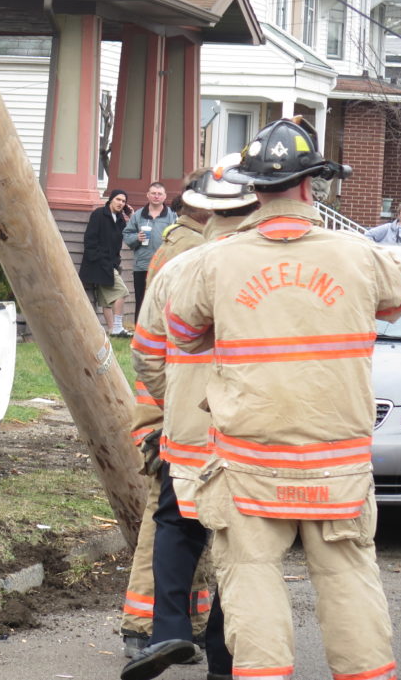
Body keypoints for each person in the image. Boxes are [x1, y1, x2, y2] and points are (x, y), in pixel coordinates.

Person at [165, 118, 401, 680]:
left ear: (253, 188)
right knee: (348, 578)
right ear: (312, 185)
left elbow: (181, 332)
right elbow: (398, 304)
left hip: (250, 463)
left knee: (250, 578)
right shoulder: (362, 255)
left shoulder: (216, 260)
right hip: (338, 464)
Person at [122, 163, 257, 680]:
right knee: (242, 543)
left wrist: (176, 402)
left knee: (176, 526)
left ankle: (167, 630)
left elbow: (147, 353)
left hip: (184, 429)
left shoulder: (183, 263)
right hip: (243, 433)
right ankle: (220, 657)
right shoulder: (252, 263)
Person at [118, 170, 214, 661]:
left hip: (170, 404)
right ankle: (144, 627)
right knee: (168, 518)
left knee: (188, 520)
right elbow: (159, 348)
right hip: (169, 410)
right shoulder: (187, 252)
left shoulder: (182, 243)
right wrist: (163, 416)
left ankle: (184, 625)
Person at [79, 189, 133, 337]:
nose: (121, 203)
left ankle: (111, 330)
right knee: (122, 292)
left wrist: (132, 216)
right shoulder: (98, 214)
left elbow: (125, 236)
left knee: (106, 300)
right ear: (110, 200)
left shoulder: (121, 219)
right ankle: (117, 327)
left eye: (123, 201)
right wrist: (100, 259)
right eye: (118, 199)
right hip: (98, 263)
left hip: (111, 263)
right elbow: (90, 240)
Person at [123, 182, 176, 318]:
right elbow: (127, 234)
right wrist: (136, 237)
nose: (156, 196)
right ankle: (138, 335)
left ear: (165, 197)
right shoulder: (138, 215)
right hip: (142, 265)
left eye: (159, 194)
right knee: (141, 301)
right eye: (153, 193)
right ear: (148, 195)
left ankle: (159, 335)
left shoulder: (172, 216)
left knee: (162, 300)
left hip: (164, 266)